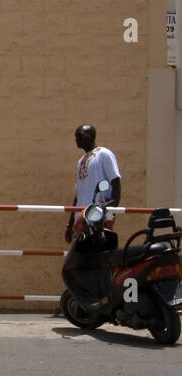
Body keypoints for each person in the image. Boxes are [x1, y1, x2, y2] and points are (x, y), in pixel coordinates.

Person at [62, 124, 123, 312]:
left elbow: (115, 181)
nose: (77, 139)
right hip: (82, 217)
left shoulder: (104, 154)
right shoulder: (81, 161)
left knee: (97, 258)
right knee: (83, 259)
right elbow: (79, 191)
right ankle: (85, 299)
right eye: (75, 135)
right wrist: (70, 221)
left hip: (97, 216)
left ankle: (104, 299)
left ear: (92, 135)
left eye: (80, 135)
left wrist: (110, 210)